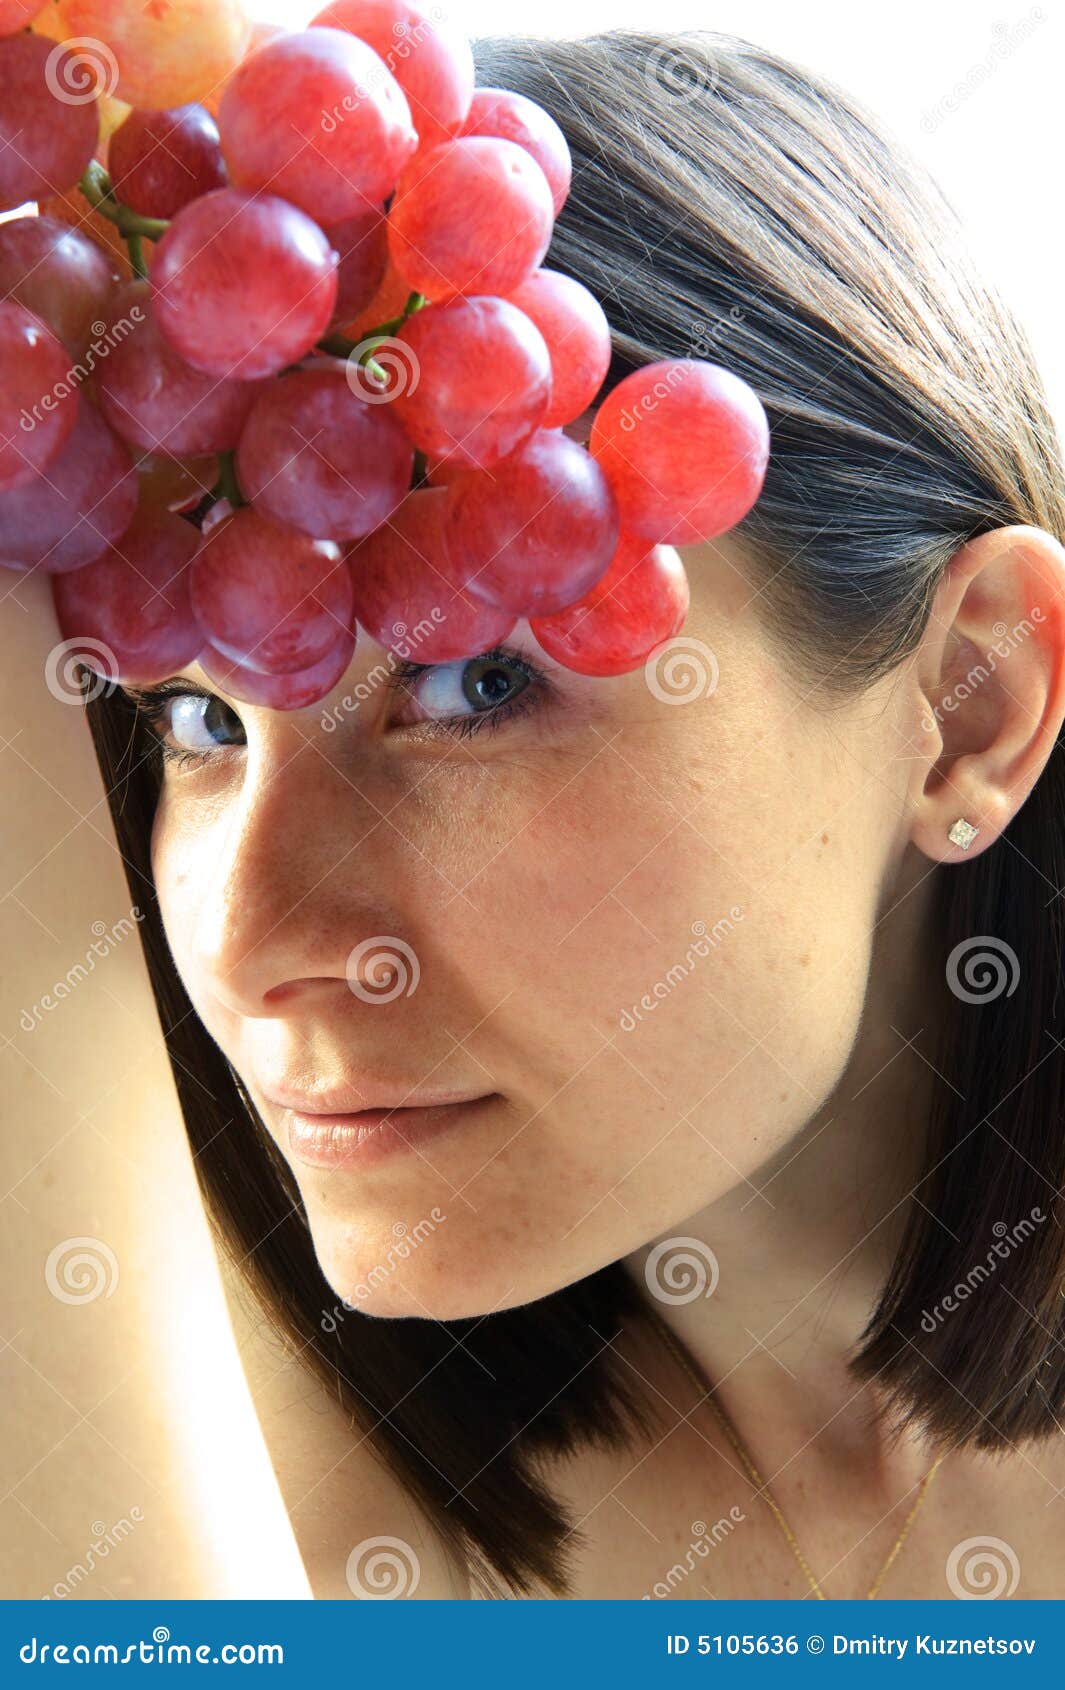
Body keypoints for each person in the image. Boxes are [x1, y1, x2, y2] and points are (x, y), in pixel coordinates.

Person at [4, 28, 1065, 1602]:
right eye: (197, 719)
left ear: (966, 708)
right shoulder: (244, 1481)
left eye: (471, 688)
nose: (244, 940)